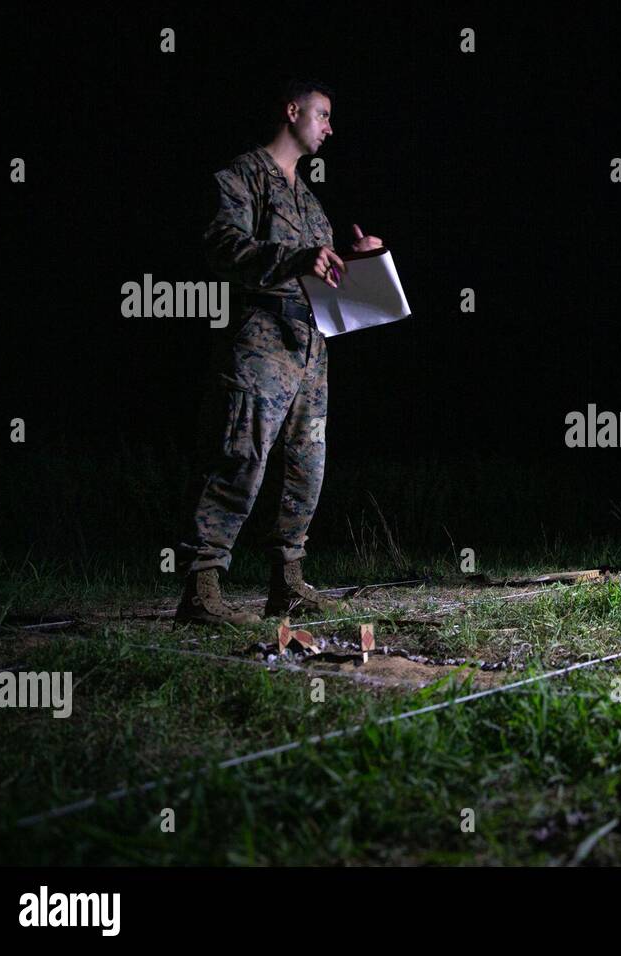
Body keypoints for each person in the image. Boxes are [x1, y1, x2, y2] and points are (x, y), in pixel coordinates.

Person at [176, 78, 384, 625]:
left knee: (305, 467)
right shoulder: (241, 176)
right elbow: (223, 248)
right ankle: (201, 591)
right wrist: (293, 258)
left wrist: (355, 260)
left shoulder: (311, 202)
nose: (330, 128)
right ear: (292, 111)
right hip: (260, 346)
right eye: (323, 115)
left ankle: (287, 585)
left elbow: (322, 271)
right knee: (237, 457)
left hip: (310, 349)